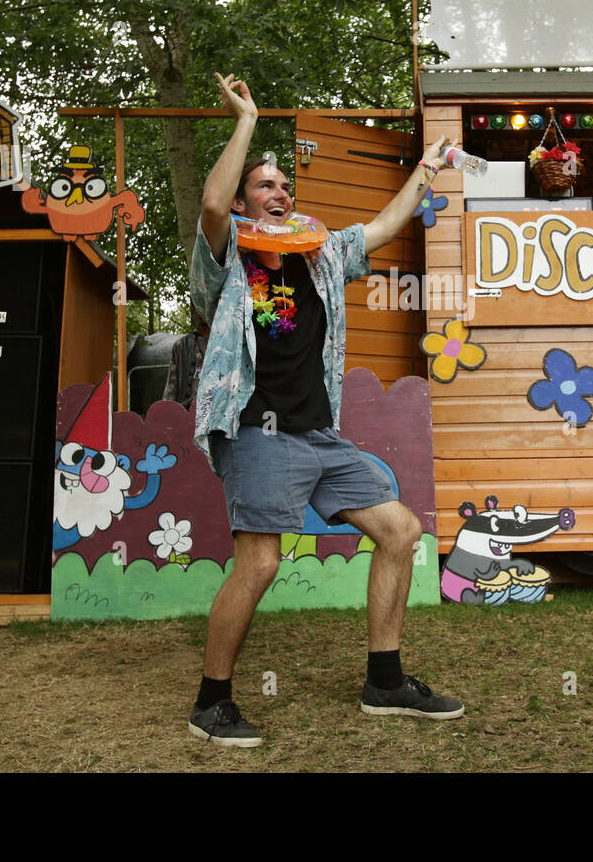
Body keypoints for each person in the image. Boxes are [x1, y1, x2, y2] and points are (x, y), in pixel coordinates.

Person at [187, 72, 463, 746]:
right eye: (265, 185)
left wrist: (426, 170)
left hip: (320, 435)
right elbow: (213, 201)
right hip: (261, 430)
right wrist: (246, 121)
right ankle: (211, 703)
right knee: (259, 563)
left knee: (399, 531)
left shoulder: (321, 255)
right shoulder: (230, 259)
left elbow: (389, 225)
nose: (278, 191)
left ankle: (385, 680)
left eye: (284, 184)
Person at [162, 311, 210, 406]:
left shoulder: (227, 345)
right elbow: (171, 389)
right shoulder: (181, 345)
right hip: (188, 414)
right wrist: (167, 412)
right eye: (198, 308)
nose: (202, 312)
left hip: (220, 416)